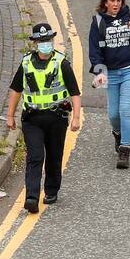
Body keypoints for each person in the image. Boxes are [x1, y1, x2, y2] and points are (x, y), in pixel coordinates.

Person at [5, 22, 82, 213]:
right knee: (35, 156)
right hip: (32, 119)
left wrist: (76, 117)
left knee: (54, 156)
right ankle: (31, 196)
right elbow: (16, 89)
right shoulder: (25, 63)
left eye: (47, 40)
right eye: (41, 41)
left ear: (52, 41)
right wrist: (10, 116)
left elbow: (74, 92)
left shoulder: (61, 63)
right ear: (34, 43)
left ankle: (51, 190)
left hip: (57, 117)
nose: (45, 44)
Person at [89, 0, 130, 170]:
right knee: (113, 113)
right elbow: (94, 50)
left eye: (119, 1)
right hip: (110, 73)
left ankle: (124, 149)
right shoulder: (98, 22)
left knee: (126, 109)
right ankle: (117, 133)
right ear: (105, 3)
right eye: (112, 1)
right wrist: (99, 72)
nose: (116, 4)